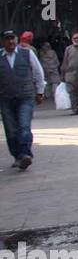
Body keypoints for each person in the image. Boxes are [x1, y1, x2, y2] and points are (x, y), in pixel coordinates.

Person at [1, 29, 45, 170]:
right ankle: (17, 156)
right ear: (2, 42)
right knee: (11, 130)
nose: (11, 41)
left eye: (13, 38)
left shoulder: (27, 53)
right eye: (7, 39)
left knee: (24, 126)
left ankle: (25, 154)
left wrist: (40, 92)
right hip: (5, 99)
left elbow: (38, 72)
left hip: (25, 96)